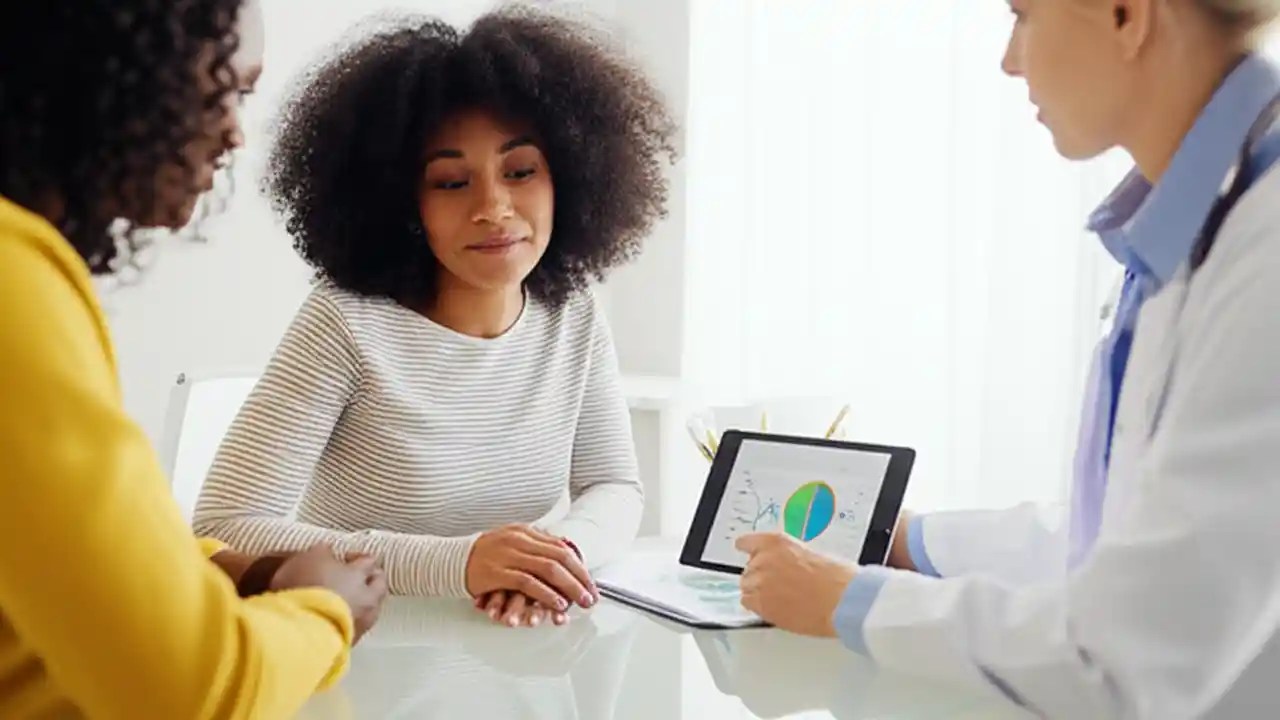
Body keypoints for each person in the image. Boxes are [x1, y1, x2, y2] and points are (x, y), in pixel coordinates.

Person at [735, 0, 1280, 717]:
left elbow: (1126, 654)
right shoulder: (1201, 230)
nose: (1010, 58)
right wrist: (907, 542)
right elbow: (1122, 542)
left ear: (1126, 14)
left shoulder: (1263, 248)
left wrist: (852, 601)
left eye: (1023, 15)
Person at [192, 6, 676, 629]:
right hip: (363, 646)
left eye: (521, 171)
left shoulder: (573, 311)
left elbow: (613, 485)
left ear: (572, 178)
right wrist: (461, 563)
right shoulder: (346, 323)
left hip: (511, 646)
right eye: (451, 182)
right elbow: (225, 525)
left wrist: (556, 558)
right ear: (402, 200)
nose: (494, 208)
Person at [0, 2, 388, 717]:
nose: (236, 133)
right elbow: (190, 689)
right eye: (225, 89)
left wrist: (219, 570)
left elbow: (50, 559)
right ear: (122, 75)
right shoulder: (13, 287)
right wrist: (324, 612)